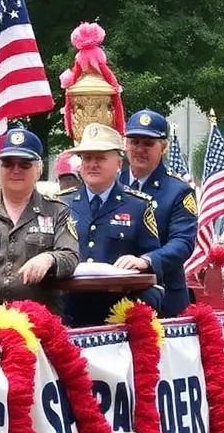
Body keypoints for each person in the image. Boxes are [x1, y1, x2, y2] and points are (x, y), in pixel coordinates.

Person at [60, 123, 166, 328]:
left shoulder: (138, 205)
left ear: (118, 163)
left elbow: (153, 266)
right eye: (87, 158)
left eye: (100, 157)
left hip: (118, 315)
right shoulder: (61, 204)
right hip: (69, 313)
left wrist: (140, 261)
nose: (92, 164)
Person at [0, 127, 79, 327]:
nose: (15, 170)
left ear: (38, 169)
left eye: (24, 164)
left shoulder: (57, 212)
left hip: (37, 322)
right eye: (7, 163)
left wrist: (49, 258)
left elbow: (70, 256)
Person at [118, 109, 197, 316]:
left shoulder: (179, 190)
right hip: (113, 295)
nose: (140, 149)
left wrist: (147, 260)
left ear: (163, 147)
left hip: (164, 297)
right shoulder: (112, 184)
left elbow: (183, 242)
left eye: (148, 143)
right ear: (125, 144)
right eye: (134, 142)